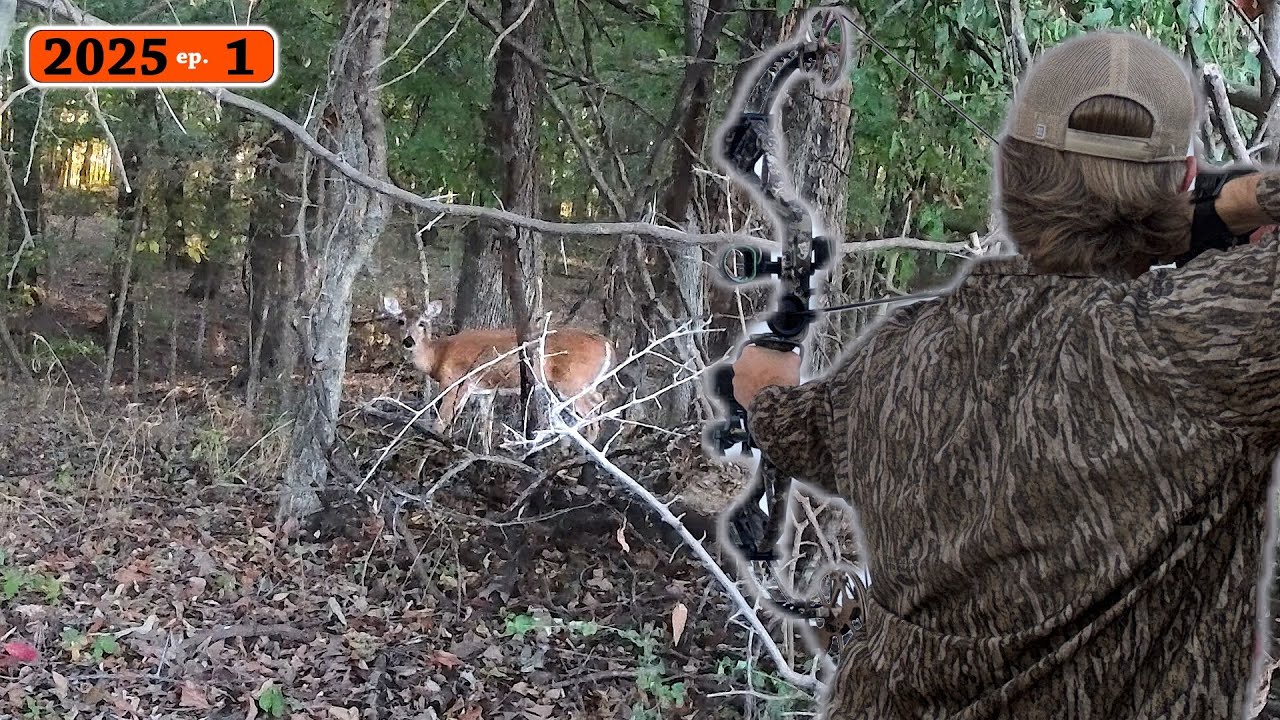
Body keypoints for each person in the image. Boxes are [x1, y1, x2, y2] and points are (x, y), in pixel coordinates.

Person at [730, 30, 1280, 719]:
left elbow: (791, 423)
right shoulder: (1205, 343)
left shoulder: (898, 355)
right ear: (1187, 176)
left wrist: (765, 383)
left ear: (1012, 170)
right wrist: (1231, 202)